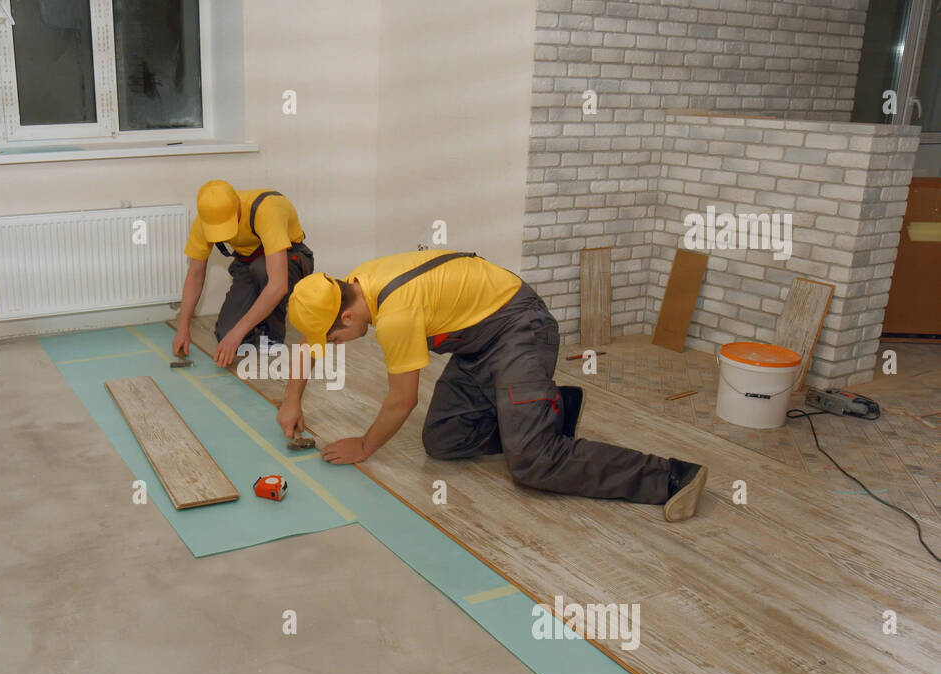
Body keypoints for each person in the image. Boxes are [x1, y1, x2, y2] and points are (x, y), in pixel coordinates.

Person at [280, 249, 709, 521]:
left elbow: (402, 400)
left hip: (521, 328)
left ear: (349, 317)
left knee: (533, 462)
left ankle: (671, 477)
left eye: (333, 338)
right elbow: (308, 343)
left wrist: (365, 445)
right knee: (445, 440)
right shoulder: (357, 283)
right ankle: (552, 407)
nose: (333, 345)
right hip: (478, 341)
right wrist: (291, 401)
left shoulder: (394, 314)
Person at [171, 180, 315, 367]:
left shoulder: (267, 209)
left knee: (262, 271)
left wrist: (237, 334)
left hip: (290, 260)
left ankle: (272, 332)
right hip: (248, 264)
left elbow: (278, 285)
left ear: (238, 204)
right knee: (226, 335)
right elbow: (195, 274)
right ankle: (255, 319)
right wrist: (183, 328)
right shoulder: (203, 221)